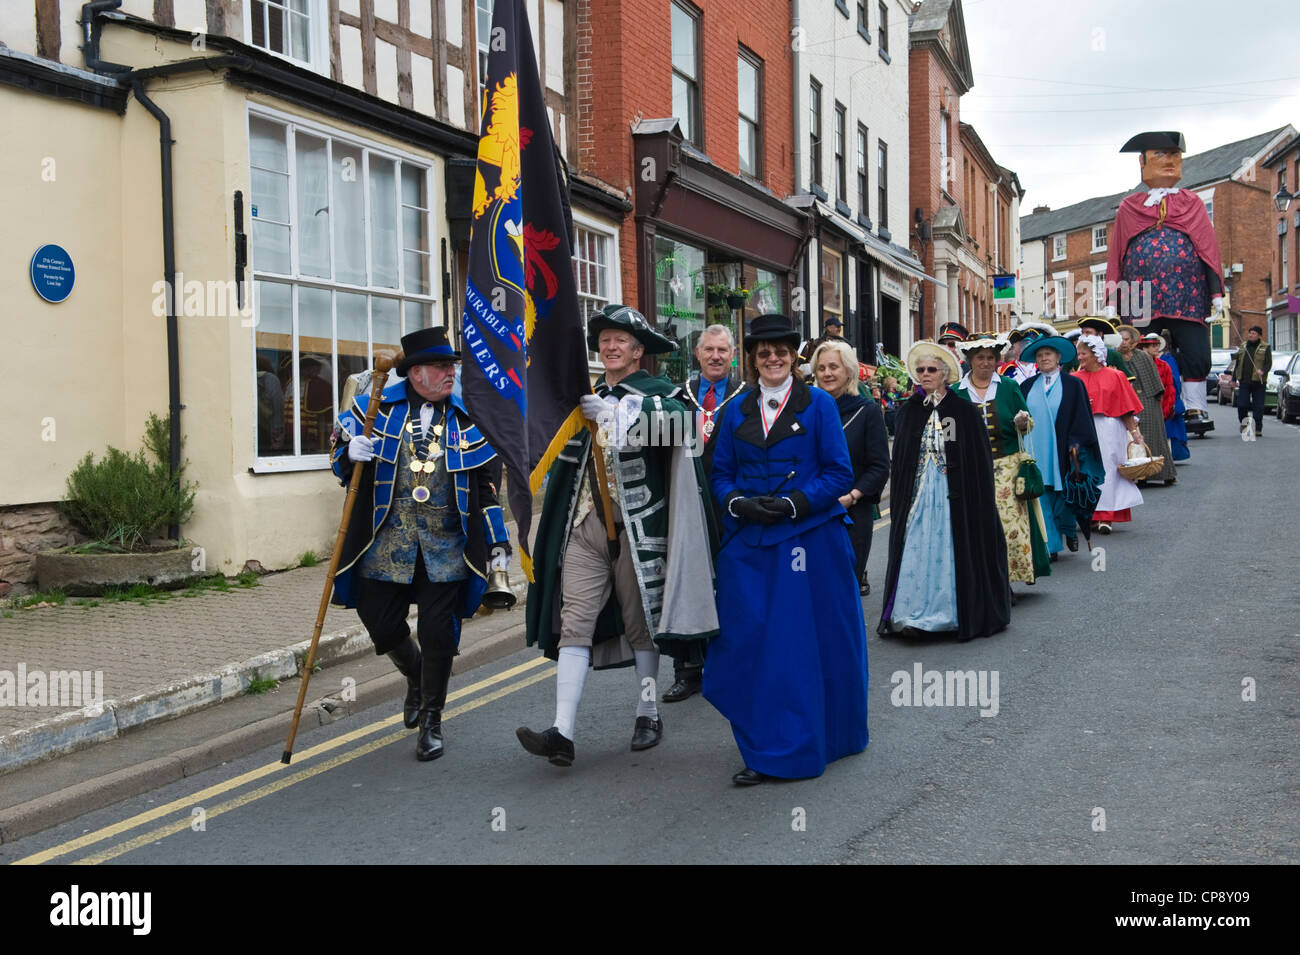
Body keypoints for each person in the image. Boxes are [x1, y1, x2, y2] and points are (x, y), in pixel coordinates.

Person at [518, 304, 718, 767]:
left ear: (638, 351)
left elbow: (684, 430)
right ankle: (562, 730)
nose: (610, 346)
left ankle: (647, 712)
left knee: (640, 623)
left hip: (636, 527)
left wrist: (619, 410)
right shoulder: (583, 398)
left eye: (620, 341)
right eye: (605, 339)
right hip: (584, 525)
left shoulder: (659, 393)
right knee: (574, 621)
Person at [330, 326, 511, 761]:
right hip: (385, 547)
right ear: (414, 373)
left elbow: (487, 494)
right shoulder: (374, 408)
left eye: (452, 366)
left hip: (445, 550)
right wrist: (347, 454)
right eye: (441, 366)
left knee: (438, 635)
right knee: (381, 623)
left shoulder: (470, 418)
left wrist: (498, 549)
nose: (450, 373)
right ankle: (414, 676)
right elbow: (339, 464)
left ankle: (432, 717)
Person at [705, 314, 869, 786]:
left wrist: (795, 502)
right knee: (748, 642)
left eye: (780, 351)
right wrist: (738, 502)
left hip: (810, 540)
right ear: (753, 361)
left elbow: (839, 473)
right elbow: (720, 474)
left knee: (805, 646)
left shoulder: (817, 404)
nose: (772, 359)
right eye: (763, 353)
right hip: (750, 540)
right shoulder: (735, 410)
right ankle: (764, 739)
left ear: (792, 357)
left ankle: (808, 742)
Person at [878, 341, 1011, 641]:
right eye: (920, 370)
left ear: (945, 373)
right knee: (916, 549)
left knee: (953, 549)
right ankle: (911, 615)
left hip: (957, 497)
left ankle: (951, 614)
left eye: (931, 370)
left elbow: (976, 460)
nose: (925, 375)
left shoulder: (962, 411)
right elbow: (901, 461)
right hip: (920, 497)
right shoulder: (910, 411)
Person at [1106, 131, 1223, 412]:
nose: (1169, 161)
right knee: (1135, 351)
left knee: (1195, 350)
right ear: (1142, 162)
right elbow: (1117, 253)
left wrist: (1217, 293)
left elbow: (1208, 249)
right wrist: (1112, 300)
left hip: (1188, 292)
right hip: (1138, 294)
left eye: (1174, 155)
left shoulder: (1192, 203)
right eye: (1160, 154)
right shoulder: (1130, 206)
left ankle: (1195, 406)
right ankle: (1141, 405)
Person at [665, 323, 747, 702]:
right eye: (709, 350)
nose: (716, 356)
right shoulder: (677, 396)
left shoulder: (746, 397)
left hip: (731, 508)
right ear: (697, 354)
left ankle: (729, 663)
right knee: (684, 583)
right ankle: (687, 669)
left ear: (733, 355)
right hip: (686, 503)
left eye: (723, 350)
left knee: (730, 584)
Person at [953, 336, 1051, 589]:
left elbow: (1028, 424)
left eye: (990, 358)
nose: (985, 363)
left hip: (1007, 467)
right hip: (971, 469)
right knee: (977, 527)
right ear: (970, 361)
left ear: (997, 360)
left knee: (1009, 528)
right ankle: (985, 580)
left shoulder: (1008, 387)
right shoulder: (956, 392)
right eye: (979, 358)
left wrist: (1022, 423)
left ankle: (1005, 579)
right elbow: (948, 433)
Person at [812, 339, 890, 596]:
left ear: (848, 371)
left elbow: (879, 467)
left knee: (844, 590)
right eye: (821, 368)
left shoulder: (867, 412)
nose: (827, 373)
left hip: (852, 516)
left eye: (833, 366)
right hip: (811, 513)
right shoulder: (806, 410)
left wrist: (853, 496)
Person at [1019, 336, 1104, 558]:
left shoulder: (1073, 384)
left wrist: (1077, 444)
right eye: (1039, 355)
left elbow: (1082, 417)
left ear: (1058, 357)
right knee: (1041, 495)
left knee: (1064, 496)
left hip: (1064, 450)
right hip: (1035, 449)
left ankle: (1068, 530)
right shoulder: (1026, 386)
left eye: (1048, 354)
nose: (1044, 358)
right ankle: (1051, 545)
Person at [1071, 336, 1145, 534]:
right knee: (1085, 470)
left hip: (1110, 428)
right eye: (1078, 354)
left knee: (1109, 470)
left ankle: (1106, 517)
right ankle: (1091, 514)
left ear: (1096, 355)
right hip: (1084, 429)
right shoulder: (1075, 379)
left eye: (1084, 353)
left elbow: (1127, 408)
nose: (1080, 358)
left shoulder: (1116, 376)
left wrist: (1135, 433)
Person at [1118, 324, 1176, 485]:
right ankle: (1139, 473)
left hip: (1147, 400)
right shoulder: (1114, 356)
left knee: (1154, 437)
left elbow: (1155, 383)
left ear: (1132, 340)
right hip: (1125, 401)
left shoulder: (1142, 356)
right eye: (1121, 339)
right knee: (1131, 439)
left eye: (1126, 339)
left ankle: (1165, 473)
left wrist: (1155, 403)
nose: (1123, 343)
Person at [1229, 325, 1272, 436]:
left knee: (1258, 406)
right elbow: (1237, 364)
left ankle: (1258, 428)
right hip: (1244, 381)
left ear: (1259, 335)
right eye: (1250, 333)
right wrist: (1233, 379)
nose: (1251, 335)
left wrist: (1263, 371)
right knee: (1242, 405)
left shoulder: (1265, 347)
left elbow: (1268, 363)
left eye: (1253, 333)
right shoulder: (1243, 346)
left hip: (1259, 382)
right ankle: (1245, 423)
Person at [1154, 333, 1190, 460]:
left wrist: (1173, 398)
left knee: (1171, 427)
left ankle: (1171, 454)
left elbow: (1175, 381)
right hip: (1154, 400)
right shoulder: (1146, 360)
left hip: (1168, 397)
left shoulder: (1168, 360)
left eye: (1155, 345)